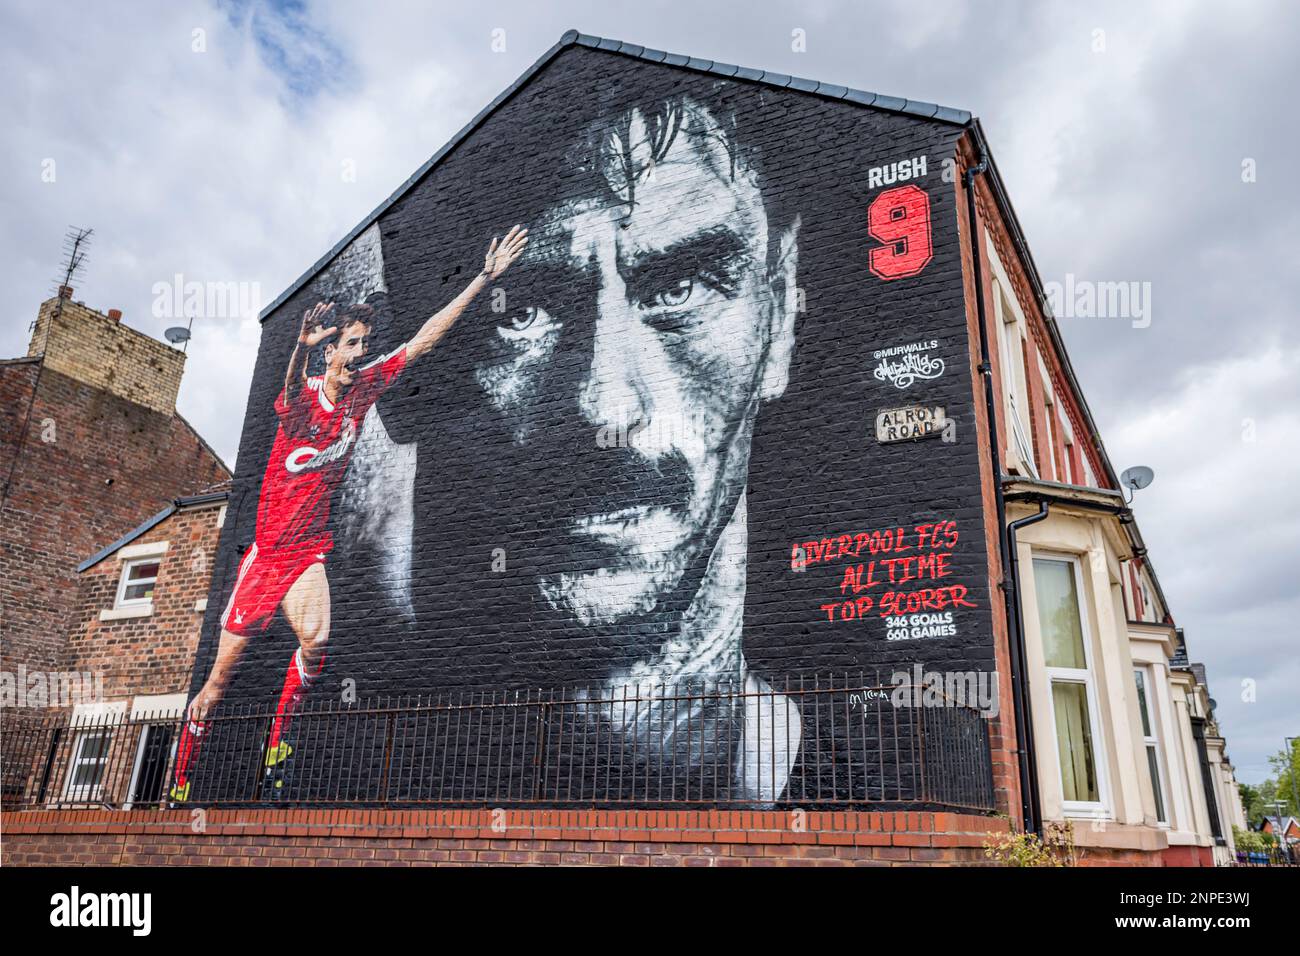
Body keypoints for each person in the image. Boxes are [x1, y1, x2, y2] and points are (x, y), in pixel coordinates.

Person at [469, 89, 803, 801]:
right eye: (525, 313)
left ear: (777, 323)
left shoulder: (872, 775)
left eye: (679, 285)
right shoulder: (392, 770)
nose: (606, 406)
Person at [169, 226, 528, 802]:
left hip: (308, 551)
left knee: (316, 643)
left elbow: (422, 342)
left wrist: (484, 279)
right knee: (218, 681)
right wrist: (298, 347)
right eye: (353, 345)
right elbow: (284, 391)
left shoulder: (363, 390)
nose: (362, 353)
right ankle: (182, 778)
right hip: (267, 556)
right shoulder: (303, 398)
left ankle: (277, 748)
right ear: (329, 351)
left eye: (365, 344)